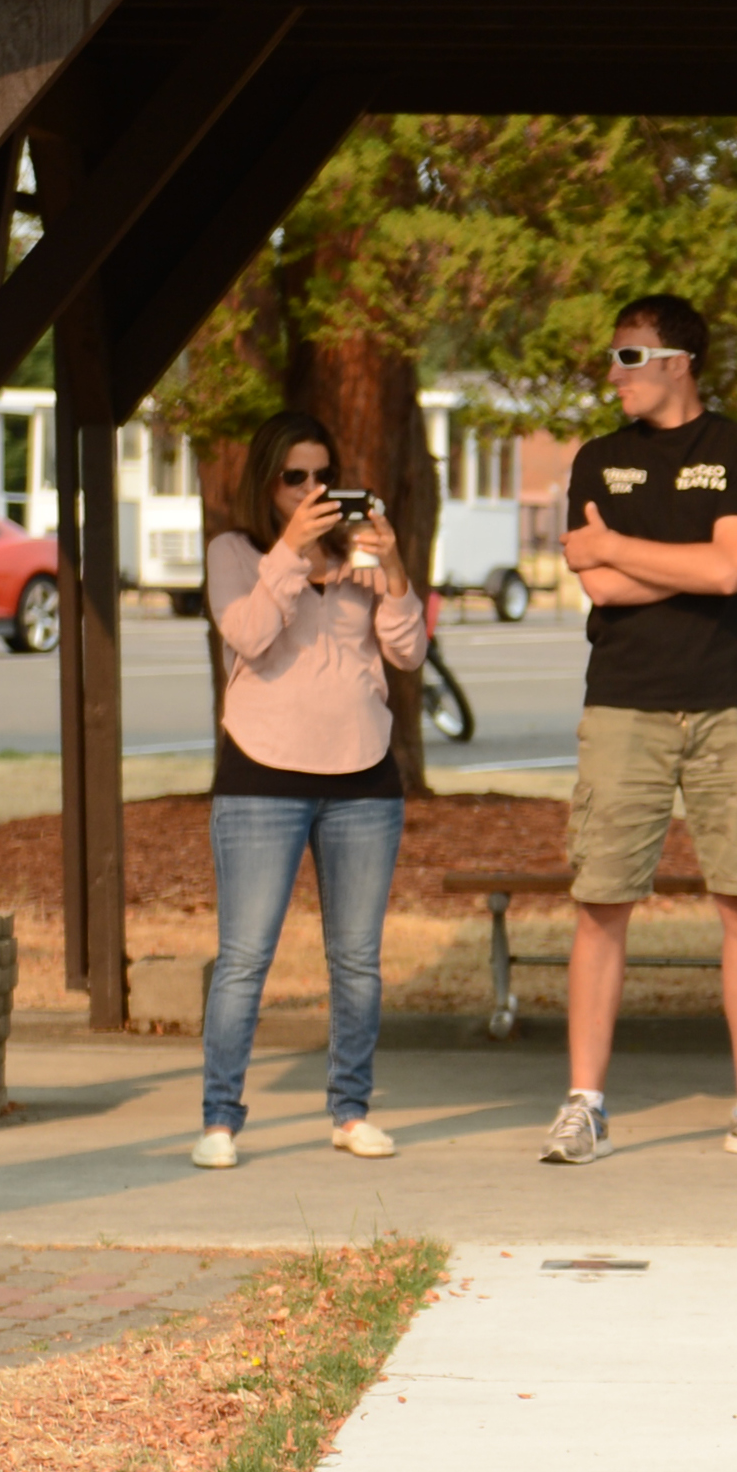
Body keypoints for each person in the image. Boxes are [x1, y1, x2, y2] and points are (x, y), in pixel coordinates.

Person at [540, 295, 737, 1166]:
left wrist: (630, 549)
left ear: (677, 361)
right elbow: (603, 585)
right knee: (602, 902)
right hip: (623, 702)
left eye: (627, 357)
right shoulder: (599, 460)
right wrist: (705, 567)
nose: (610, 373)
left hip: (731, 701)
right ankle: (584, 1103)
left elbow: (730, 567)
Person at [191, 410, 426, 1171]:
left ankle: (350, 1111)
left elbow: (408, 651)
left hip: (363, 776)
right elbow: (249, 634)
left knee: (356, 960)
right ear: (267, 481)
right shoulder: (235, 552)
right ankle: (220, 1119)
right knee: (244, 958)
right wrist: (290, 554)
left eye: (323, 475)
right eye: (296, 477)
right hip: (262, 776)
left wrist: (390, 571)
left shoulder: (360, 550)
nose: (312, 489)